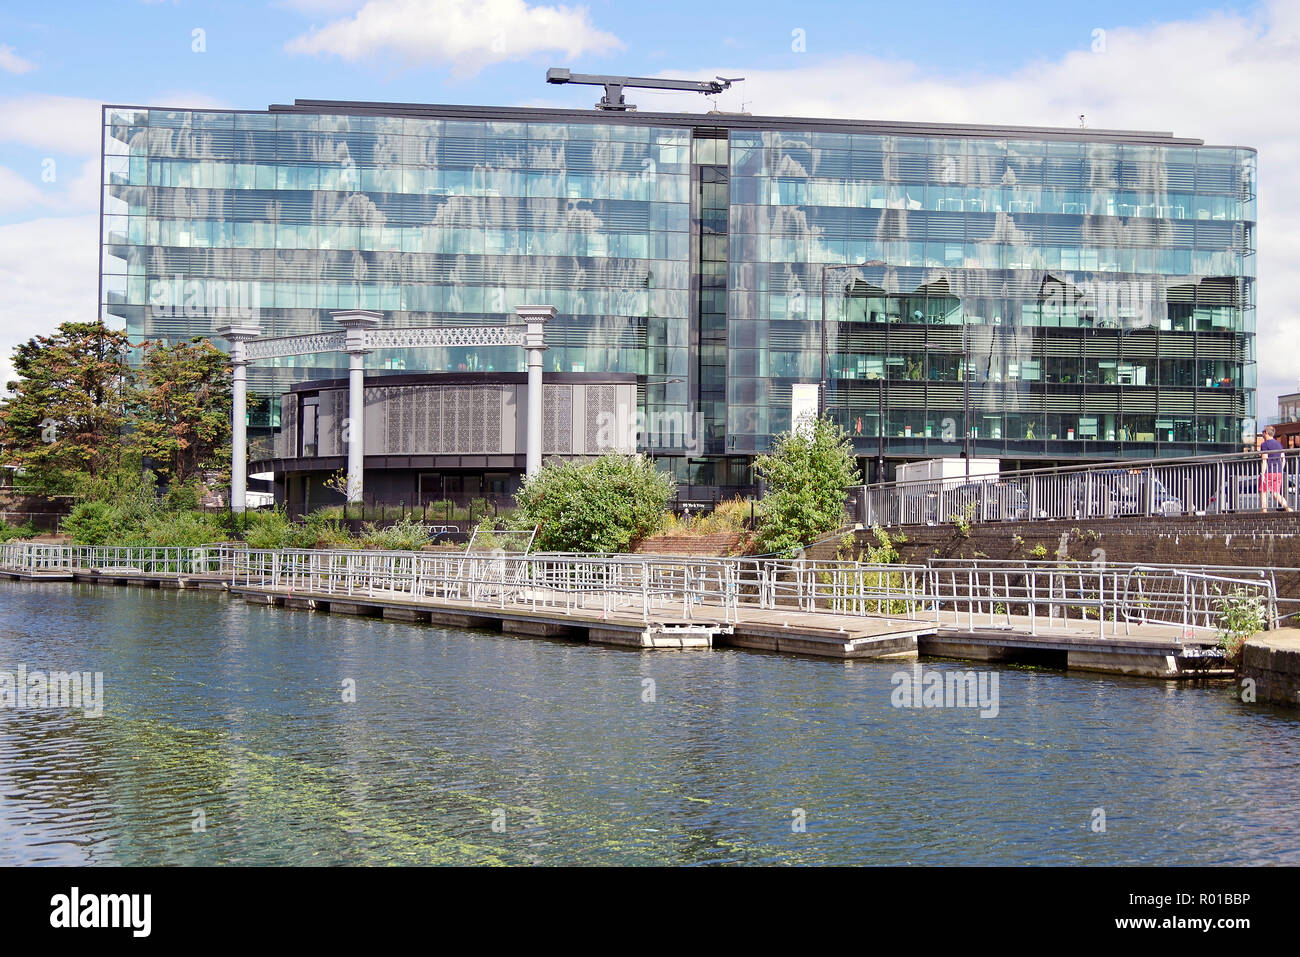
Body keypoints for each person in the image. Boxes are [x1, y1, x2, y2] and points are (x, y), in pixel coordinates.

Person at [1258, 425, 1292, 512]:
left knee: (1263, 492)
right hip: (1278, 472)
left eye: (1263, 432)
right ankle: (1287, 507)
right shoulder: (1279, 444)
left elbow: (1264, 460)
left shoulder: (1264, 445)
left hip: (1268, 472)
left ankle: (1264, 510)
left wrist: (1262, 473)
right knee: (1275, 493)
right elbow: (1283, 460)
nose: (1262, 434)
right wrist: (1280, 469)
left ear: (1266, 432)